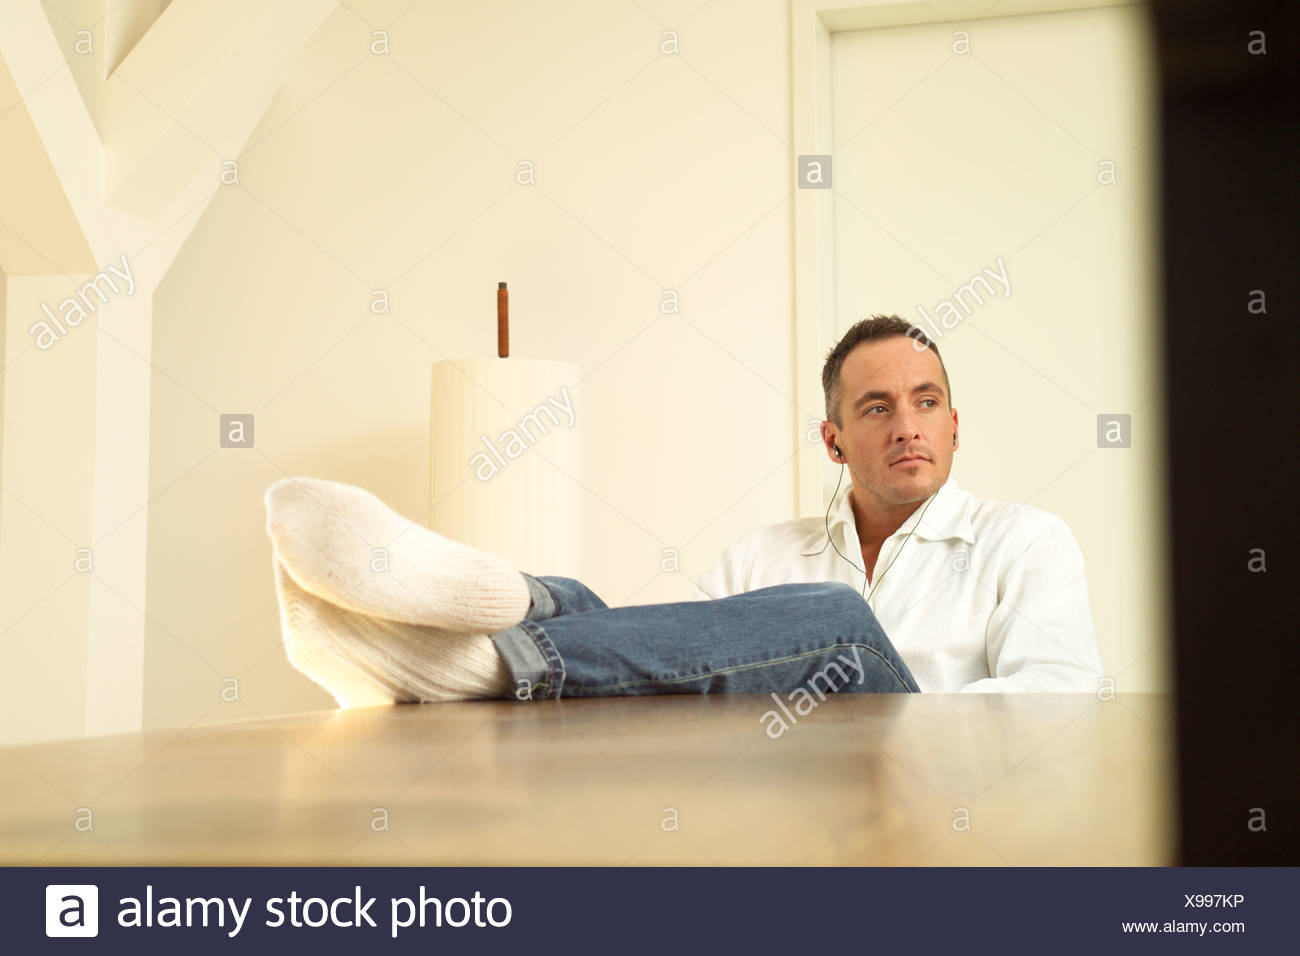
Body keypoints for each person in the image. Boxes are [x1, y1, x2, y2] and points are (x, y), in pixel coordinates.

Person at [265, 315, 1104, 708]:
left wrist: (875, 708)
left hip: (930, 789)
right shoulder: (764, 555)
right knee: (640, 638)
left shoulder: (1025, 542)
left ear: (955, 425)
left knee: (838, 625)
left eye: (927, 403)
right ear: (835, 438)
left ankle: (489, 647)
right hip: (779, 797)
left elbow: (1060, 702)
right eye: (878, 407)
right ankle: (516, 615)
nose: (908, 425)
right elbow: (660, 666)